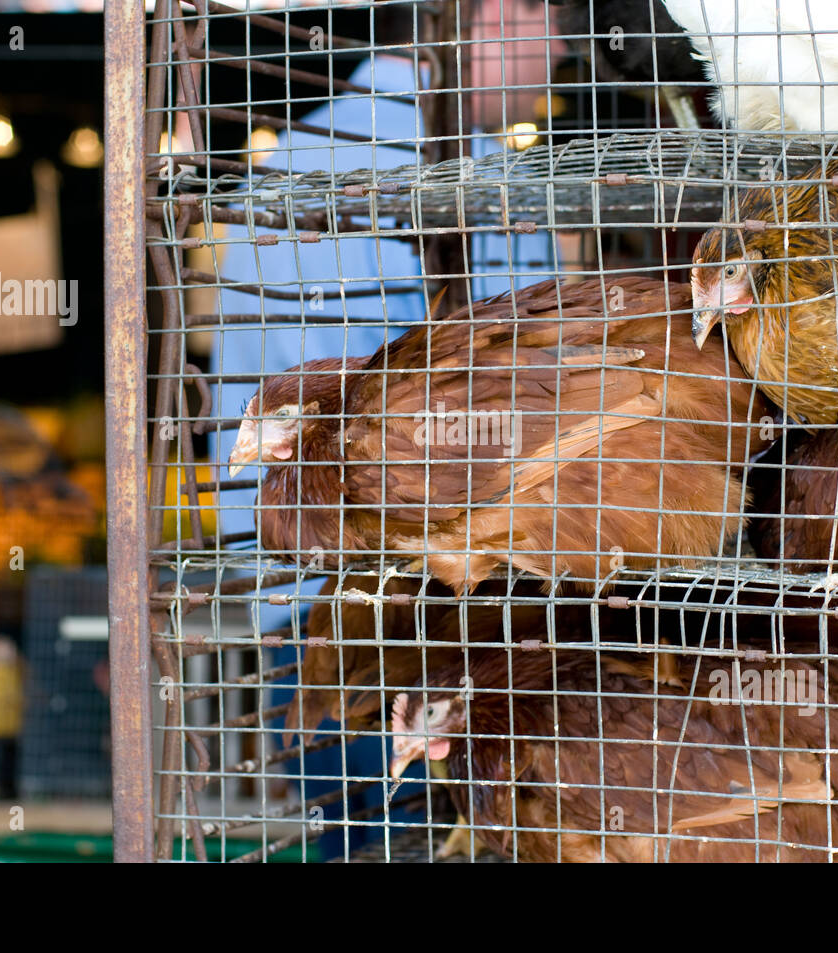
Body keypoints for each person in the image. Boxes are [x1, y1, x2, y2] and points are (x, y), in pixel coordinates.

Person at [205, 2, 564, 857]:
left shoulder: (293, 157)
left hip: (293, 590)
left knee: (360, 828)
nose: (561, 51)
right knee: (440, 830)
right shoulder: (462, 173)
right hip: (415, 605)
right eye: (551, 20)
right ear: (494, 18)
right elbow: (524, 394)